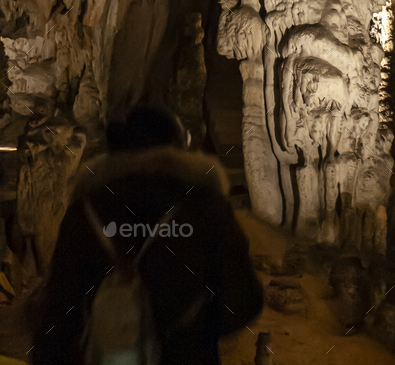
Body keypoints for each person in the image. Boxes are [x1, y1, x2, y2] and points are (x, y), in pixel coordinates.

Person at [31, 105, 264, 364]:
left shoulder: (87, 208)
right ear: (177, 144)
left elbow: (59, 306)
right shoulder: (204, 205)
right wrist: (196, 328)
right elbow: (242, 300)